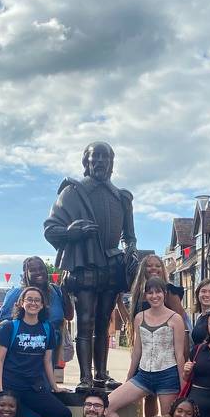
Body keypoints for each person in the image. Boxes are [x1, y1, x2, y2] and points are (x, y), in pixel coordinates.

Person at [44, 141, 137, 389]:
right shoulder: (72, 192)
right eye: (95, 158)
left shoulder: (122, 197)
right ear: (86, 162)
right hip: (85, 263)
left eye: (105, 158)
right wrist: (71, 232)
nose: (100, 163)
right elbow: (51, 229)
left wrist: (131, 250)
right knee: (85, 320)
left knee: (103, 322)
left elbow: (130, 236)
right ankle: (86, 376)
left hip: (111, 264)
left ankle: (101, 373)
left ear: (112, 163)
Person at [105, 277, 185, 417]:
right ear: (145, 295)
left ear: (164, 293)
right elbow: (137, 351)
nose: (154, 296)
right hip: (143, 376)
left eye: (158, 291)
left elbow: (179, 354)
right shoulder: (140, 317)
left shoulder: (175, 319)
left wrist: (183, 386)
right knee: (108, 405)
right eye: (150, 292)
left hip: (168, 375)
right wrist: (128, 378)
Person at [0, 286, 72, 417]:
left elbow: (47, 361)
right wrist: (0, 389)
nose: (33, 303)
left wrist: (55, 386)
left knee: (63, 415)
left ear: (43, 305)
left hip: (34, 387)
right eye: (29, 299)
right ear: (22, 303)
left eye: (37, 300)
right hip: (11, 386)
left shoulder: (47, 328)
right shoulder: (9, 327)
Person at [0, 256, 73, 372]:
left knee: (45, 383)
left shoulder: (56, 291)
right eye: (33, 270)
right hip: (23, 351)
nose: (38, 272)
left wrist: (65, 291)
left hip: (51, 349)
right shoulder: (17, 293)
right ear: (25, 273)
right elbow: (3, 322)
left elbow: (69, 316)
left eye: (41, 268)